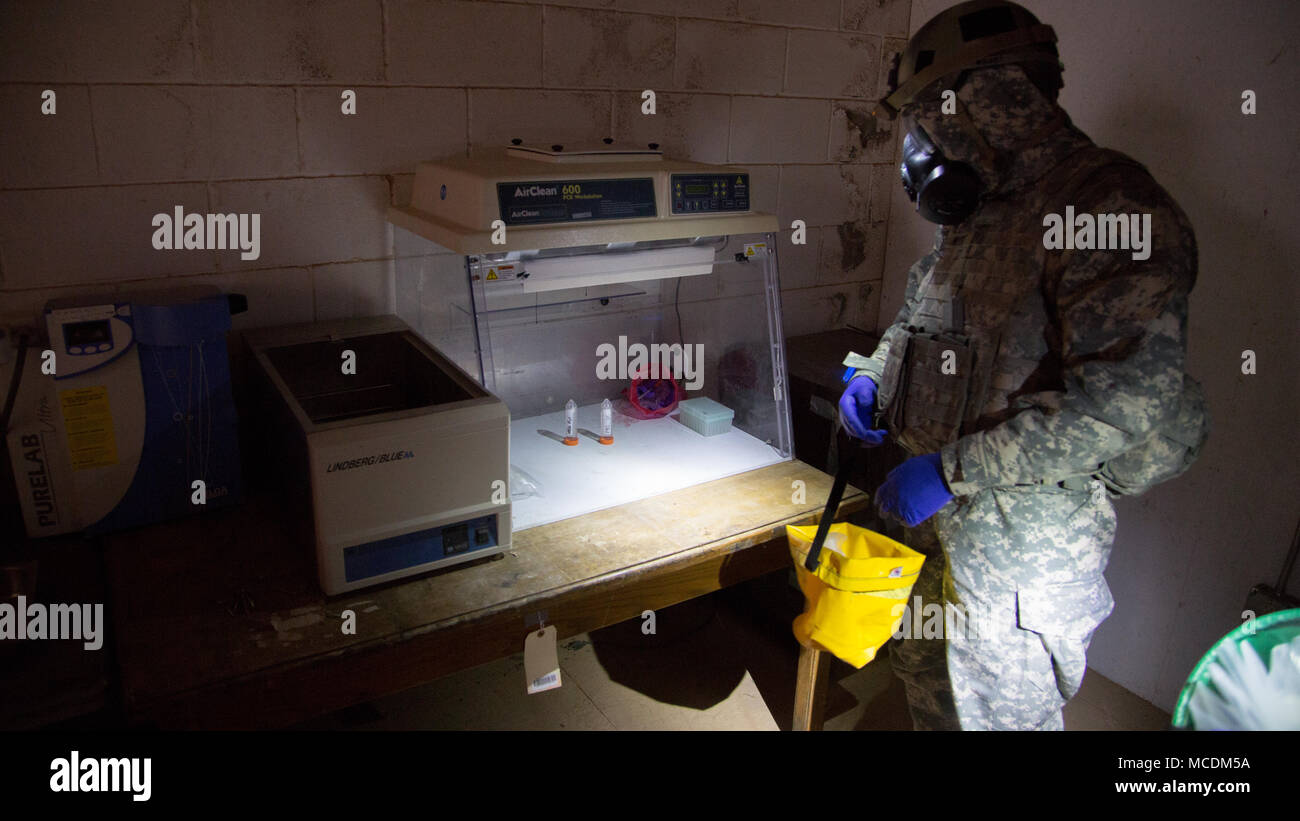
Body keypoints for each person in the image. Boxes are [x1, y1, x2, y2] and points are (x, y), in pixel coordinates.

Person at [839, 0, 1199, 730]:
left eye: (927, 116)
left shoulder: (1107, 203)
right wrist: (873, 371)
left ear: (990, 100)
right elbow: (920, 319)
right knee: (930, 700)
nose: (921, 142)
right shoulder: (981, 215)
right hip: (933, 541)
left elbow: (1123, 401)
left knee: (997, 719)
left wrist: (948, 472)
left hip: (1017, 557)